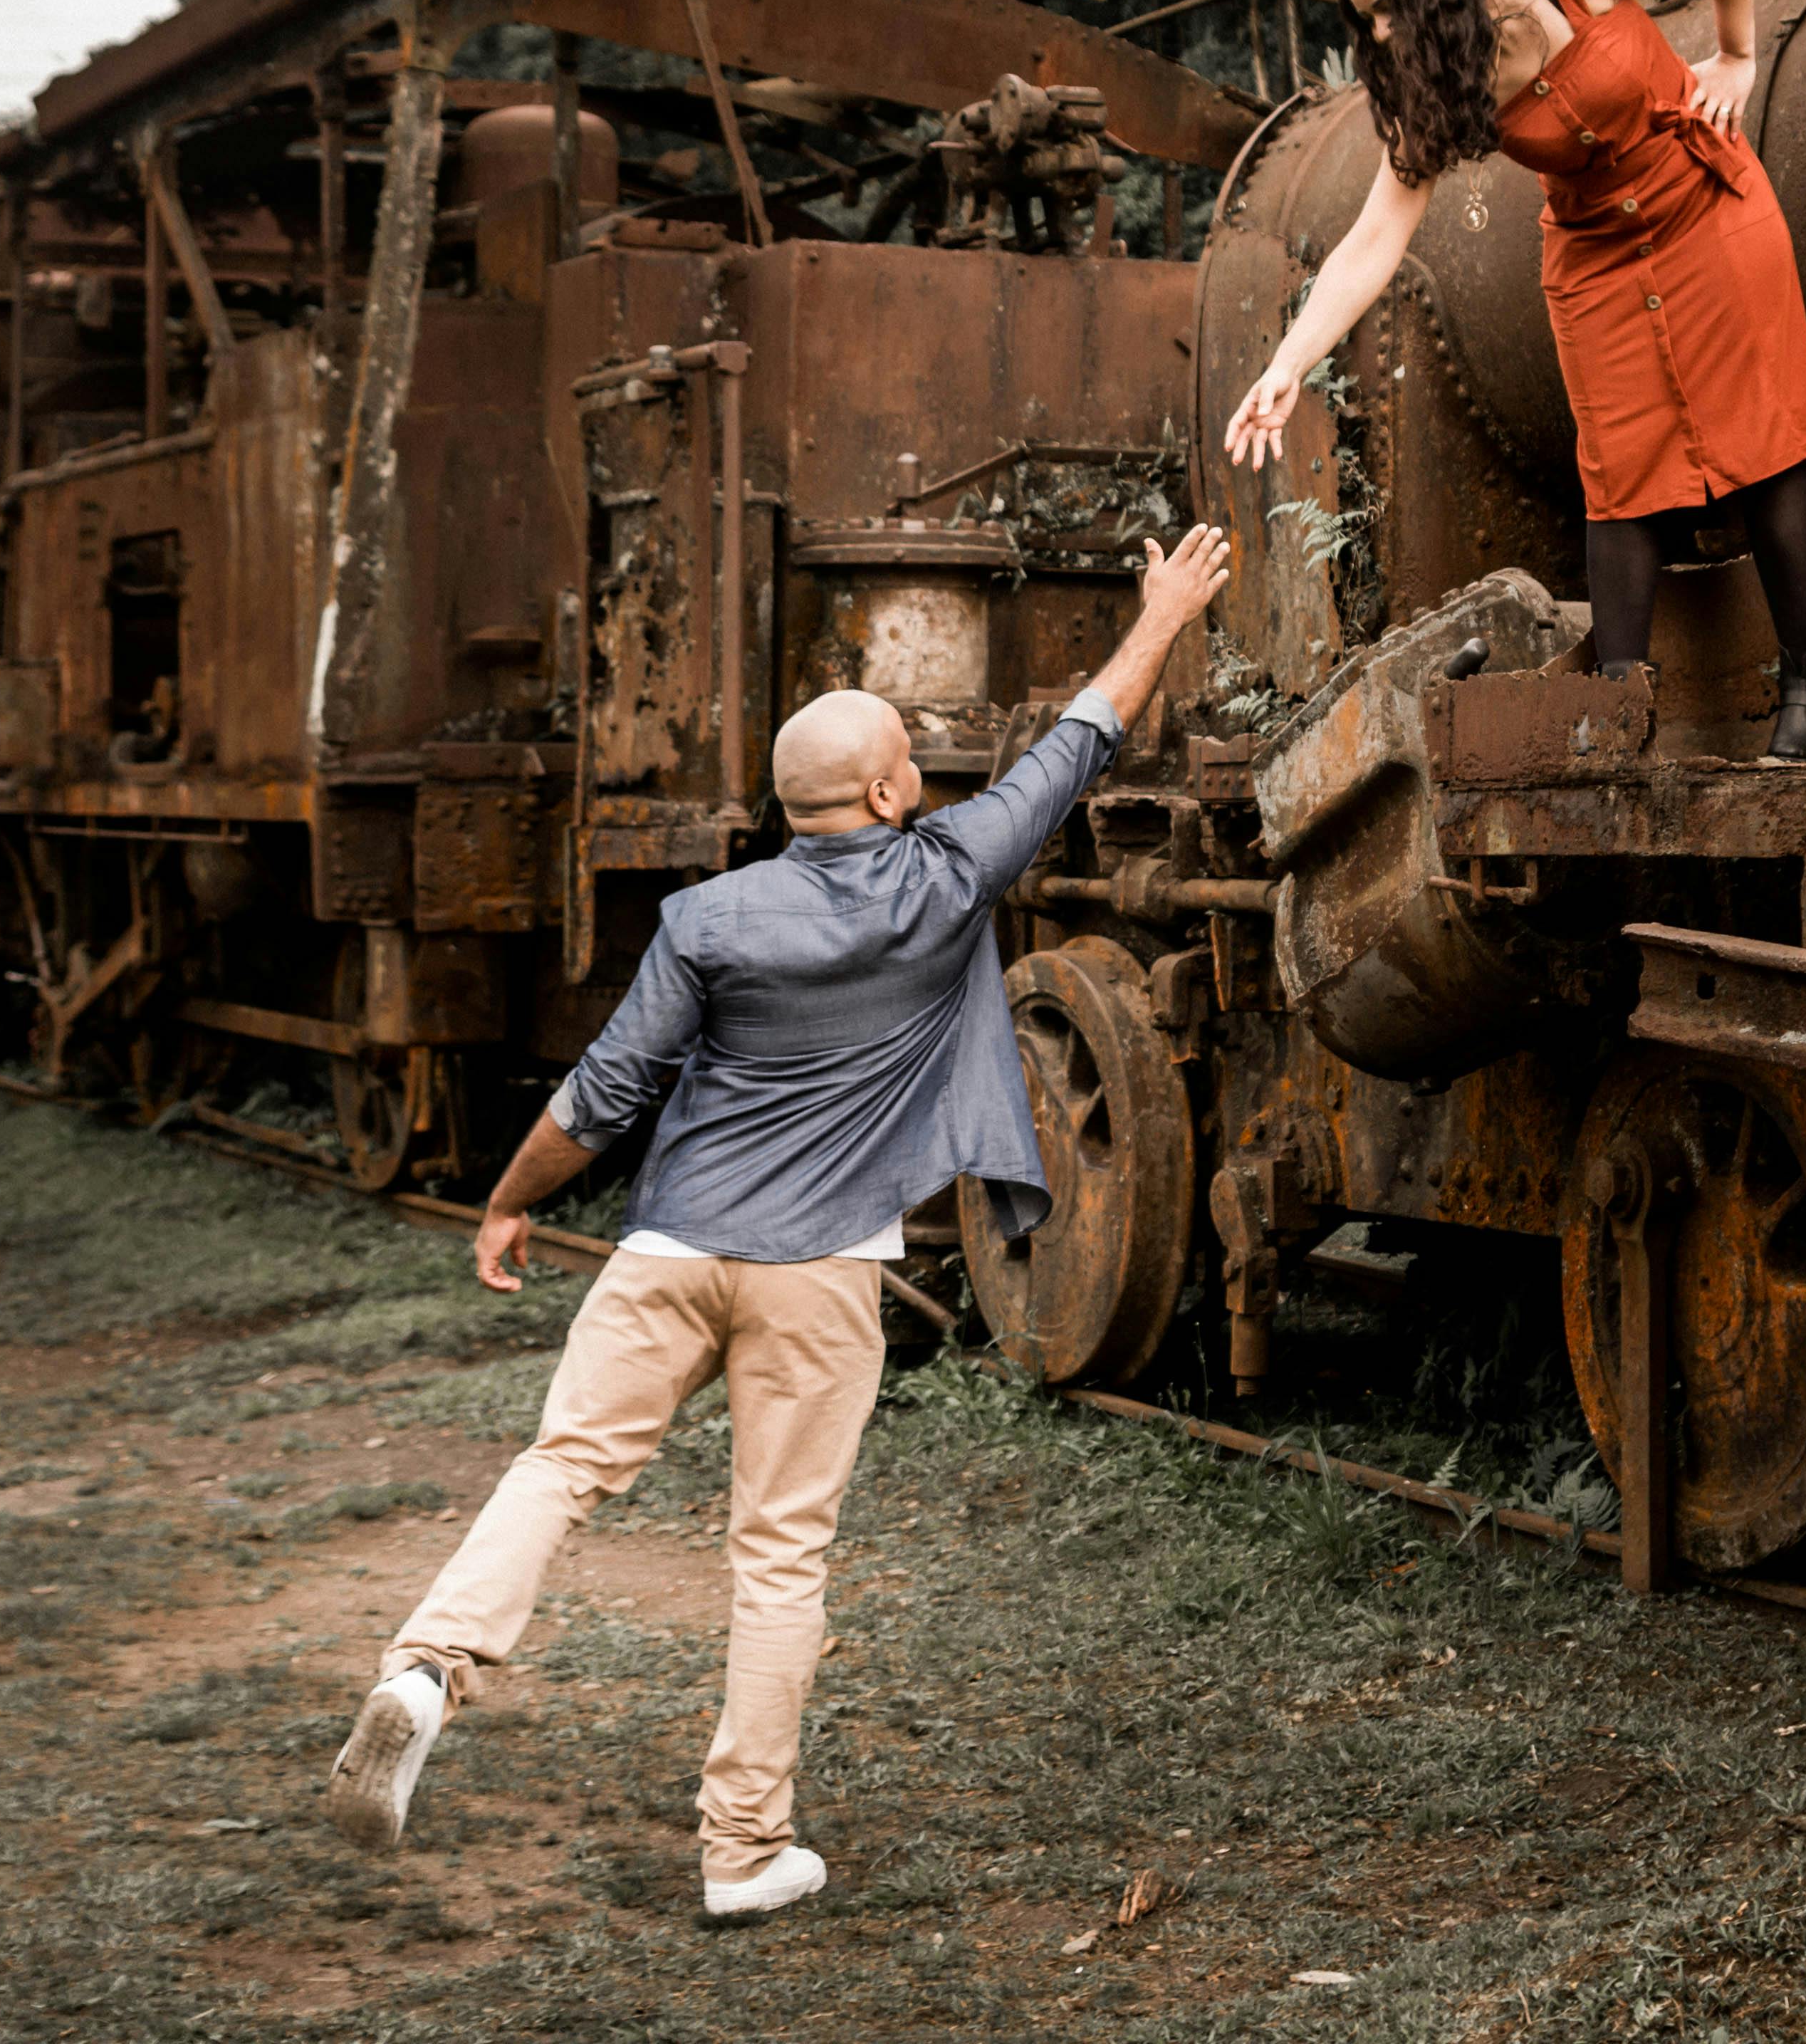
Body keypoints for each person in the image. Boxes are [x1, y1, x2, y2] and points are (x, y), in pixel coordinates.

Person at [321, 524, 1234, 1918]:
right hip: (817, 1273)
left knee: (564, 1464)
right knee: (778, 1553)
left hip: (673, 1247)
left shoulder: (706, 916)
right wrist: (1163, 612)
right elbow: (1081, 740)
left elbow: (605, 1089)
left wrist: (507, 1202)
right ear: (883, 788)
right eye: (910, 758)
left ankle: (426, 1667)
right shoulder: (948, 874)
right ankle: (743, 1850)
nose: (922, 772)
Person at [1221, 0, 1806, 759]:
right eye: (1369, 21)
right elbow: (1371, 243)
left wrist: (1740, 54)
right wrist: (1288, 362)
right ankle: (1620, 711)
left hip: (1703, 202)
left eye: (1391, 7)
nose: (1386, 33)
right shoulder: (1430, 90)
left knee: (1766, 436)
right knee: (1618, 471)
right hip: (1596, 256)